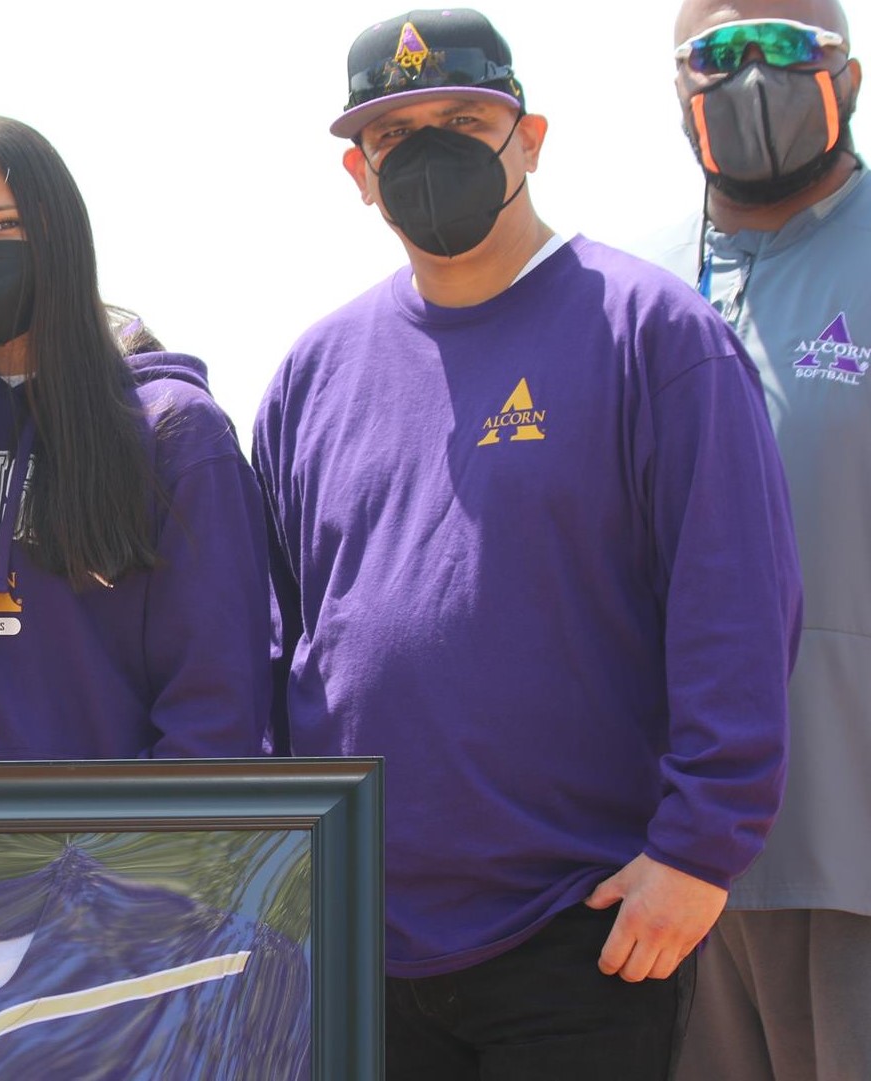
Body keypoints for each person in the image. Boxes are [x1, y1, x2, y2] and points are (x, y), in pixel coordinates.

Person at [254, 9, 802, 1078]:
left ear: (532, 137)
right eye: (397, 136)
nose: (431, 152)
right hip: (366, 943)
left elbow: (735, 604)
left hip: (580, 930)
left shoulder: (655, 334)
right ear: (359, 172)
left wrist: (699, 851)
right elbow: (275, 643)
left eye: (462, 117)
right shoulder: (311, 375)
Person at [0, 116, 270, 762]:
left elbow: (216, 712)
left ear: (58, 230)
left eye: (3, 225)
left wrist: (122, 859)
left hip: (109, 856)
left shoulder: (177, 432)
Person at [647, 4, 871, 1078]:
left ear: (851, 76)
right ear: (675, 91)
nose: (751, 78)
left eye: (787, 49)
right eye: (717, 56)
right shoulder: (628, 292)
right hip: (657, 874)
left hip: (855, 851)